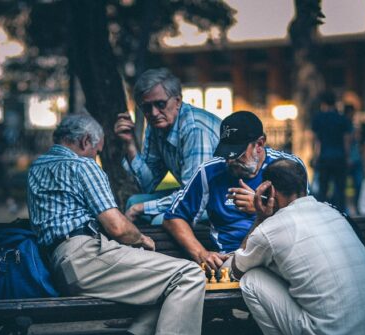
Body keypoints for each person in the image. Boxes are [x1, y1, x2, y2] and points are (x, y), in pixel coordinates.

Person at [27, 113, 213, 335]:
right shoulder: (82, 167)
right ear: (86, 140)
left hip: (61, 264)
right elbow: (117, 226)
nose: (96, 158)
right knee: (188, 274)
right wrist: (141, 240)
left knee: (166, 289)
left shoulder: (37, 167)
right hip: (86, 255)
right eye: (96, 151)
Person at [230, 158, 365, 335]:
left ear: (270, 190)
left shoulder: (271, 227)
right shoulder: (333, 212)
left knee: (252, 279)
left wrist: (260, 218)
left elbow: (236, 270)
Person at [163, 111, 306, 272]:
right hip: (232, 260)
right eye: (226, 153)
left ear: (259, 144)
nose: (230, 160)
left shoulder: (287, 167)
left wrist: (261, 207)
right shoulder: (209, 172)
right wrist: (201, 253)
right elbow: (173, 218)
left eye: (237, 154)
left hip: (280, 253)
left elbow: (305, 217)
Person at [115, 68, 221, 224]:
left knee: (159, 220)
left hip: (221, 201)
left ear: (177, 101)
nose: (154, 113)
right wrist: (130, 144)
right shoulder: (156, 125)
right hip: (197, 196)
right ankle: (137, 249)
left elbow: (193, 194)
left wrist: (141, 208)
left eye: (160, 104)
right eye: (146, 107)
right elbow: (149, 186)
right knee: (133, 201)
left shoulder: (194, 129)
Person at [311, 91, 352, 210]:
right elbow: (347, 140)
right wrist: (347, 157)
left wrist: (315, 157)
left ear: (323, 103)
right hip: (340, 158)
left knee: (323, 189)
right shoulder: (342, 119)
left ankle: (323, 214)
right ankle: (340, 214)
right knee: (340, 189)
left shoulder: (318, 118)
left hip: (324, 158)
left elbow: (316, 141)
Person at [344, 104, 364, 214]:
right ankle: (346, 208)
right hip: (348, 159)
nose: (352, 116)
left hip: (356, 159)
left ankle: (356, 206)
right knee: (344, 186)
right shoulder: (344, 126)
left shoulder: (354, 126)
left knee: (358, 184)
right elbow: (347, 142)